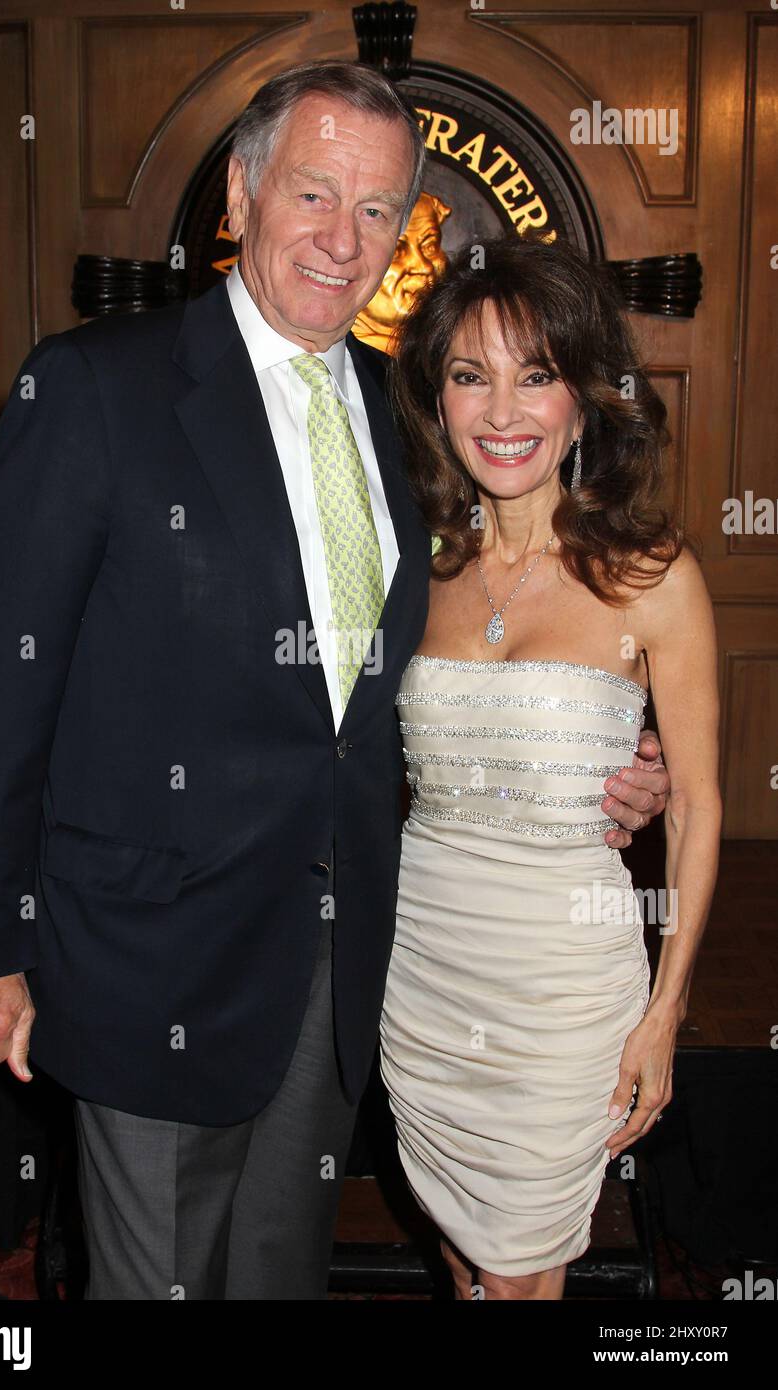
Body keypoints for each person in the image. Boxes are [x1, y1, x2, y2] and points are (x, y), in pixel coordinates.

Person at [0, 61, 669, 1300]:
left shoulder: (400, 413)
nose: (344, 238)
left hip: (342, 970)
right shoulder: (98, 385)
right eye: (314, 193)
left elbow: (459, 654)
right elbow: (2, 688)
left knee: (275, 1281)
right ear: (240, 193)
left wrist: (595, 767)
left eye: (378, 210)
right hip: (150, 952)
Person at [379, 235, 721, 1301]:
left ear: (583, 396)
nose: (503, 411)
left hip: (565, 995)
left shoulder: (651, 577)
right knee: (457, 1249)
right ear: (438, 403)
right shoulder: (410, 572)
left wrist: (664, 1012)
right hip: (422, 978)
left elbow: (704, 811)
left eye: (537, 374)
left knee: (522, 1270)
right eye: (470, 376)